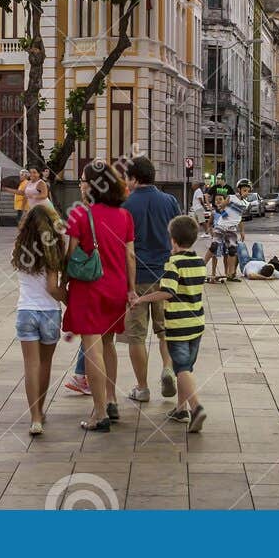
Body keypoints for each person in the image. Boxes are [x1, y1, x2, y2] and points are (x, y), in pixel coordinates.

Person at [62, 158, 135, 432]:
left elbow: (70, 255)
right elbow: (130, 255)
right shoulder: (124, 215)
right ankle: (112, 399)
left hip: (90, 288)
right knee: (108, 345)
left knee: (91, 347)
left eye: (82, 179)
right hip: (117, 288)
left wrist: (63, 287)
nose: (80, 184)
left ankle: (100, 413)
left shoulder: (80, 215)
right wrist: (130, 289)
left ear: (91, 185)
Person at [130, 213, 207, 433]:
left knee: (181, 368)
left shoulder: (173, 263)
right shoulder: (199, 262)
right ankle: (180, 409)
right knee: (187, 369)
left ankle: (196, 407)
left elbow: (167, 292)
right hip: (197, 324)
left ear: (172, 240)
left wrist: (141, 298)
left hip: (178, 327)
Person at [121, 156, 180, 405]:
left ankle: (142, 387)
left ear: (134, 179)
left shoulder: (126, 205)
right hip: (166, 274)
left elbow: (124, 248)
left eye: (127, 177)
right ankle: (167, 367)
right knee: (165, 329)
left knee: (136, 335)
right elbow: (179, 239)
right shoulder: (170, 201)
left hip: (138, 278)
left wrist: (127, 286)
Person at [13, 203, 67, 436]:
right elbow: (53, 288)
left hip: (25, 311)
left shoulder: (18, 249)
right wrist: (69, 300)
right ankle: (41, 410)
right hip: (49, 313)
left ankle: (34, 417)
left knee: (30, 366)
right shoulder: (52, 250)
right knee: (45, 364)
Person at [209, 180, 250, 283]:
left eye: (220, 199)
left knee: (230, 252)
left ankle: (230, 273)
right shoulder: (215, 212)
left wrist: (242, 231)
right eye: (217, 199)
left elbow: (239, 219)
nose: (218, 201)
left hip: (229, 233)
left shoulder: (239, 205)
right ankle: (211, 272)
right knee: (214, 250)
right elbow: (209, 223)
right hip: (219, 232)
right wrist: (210, 231)